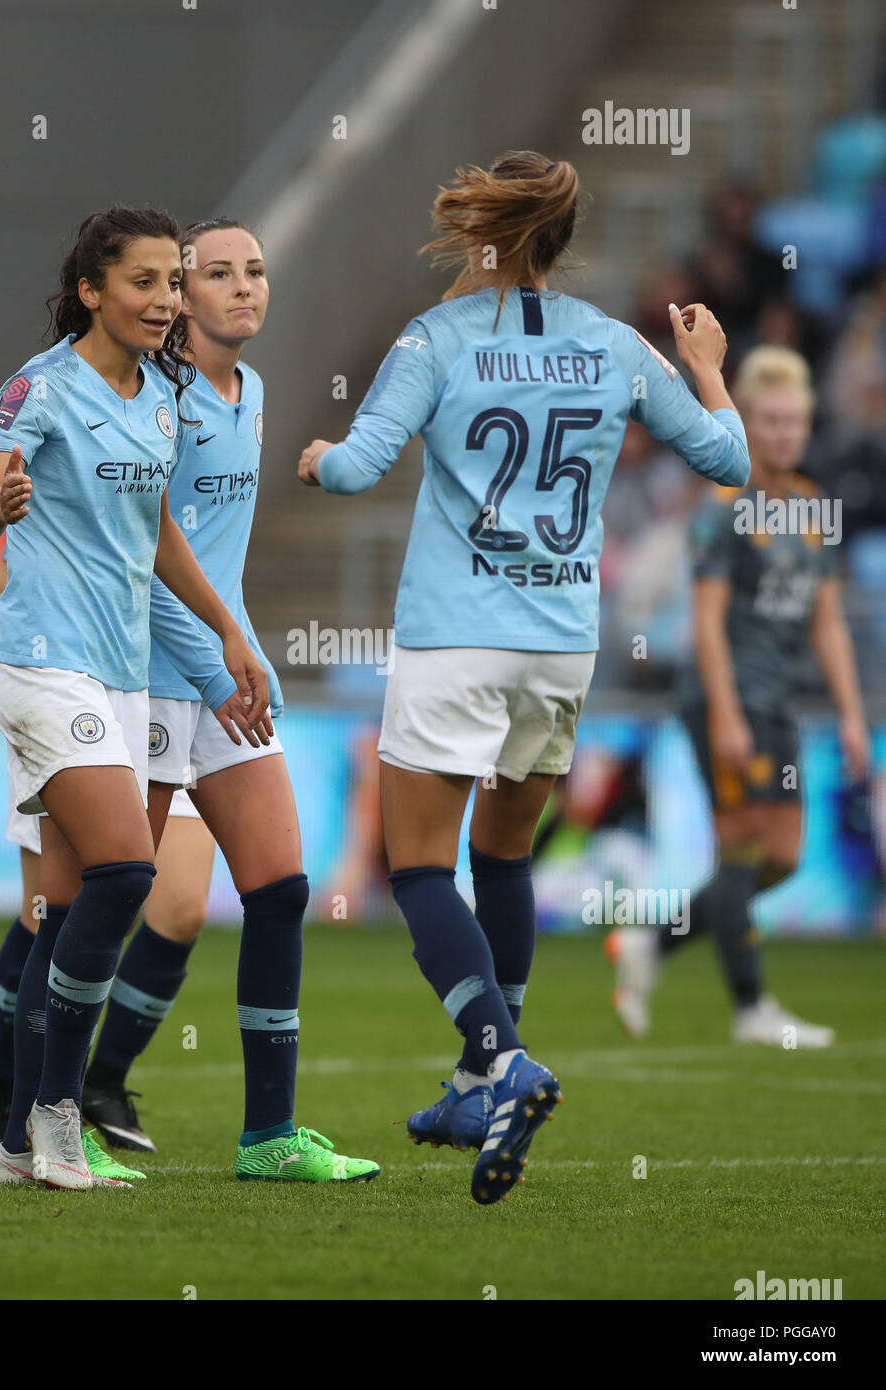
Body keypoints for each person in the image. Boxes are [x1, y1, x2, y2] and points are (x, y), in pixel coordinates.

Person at [296, 151, 750, 1204]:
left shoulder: (434, 339)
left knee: (417, 867)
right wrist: (709, 367)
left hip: (456, 636)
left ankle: (502, 1058)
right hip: (557, 643)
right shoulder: (613, 345)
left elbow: (360, 467)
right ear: (558, 240)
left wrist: (320, 458)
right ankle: (470, 1082)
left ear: (474, 234)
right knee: (502, 860)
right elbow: (726, 462)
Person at [0, 205, 269, 1190]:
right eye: (144, 283)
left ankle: (18, 1142)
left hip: (119, 673)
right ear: (91, 289)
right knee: (126, 875)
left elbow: (160, 531)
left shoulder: (162, 396)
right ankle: (57, 1107)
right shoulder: (38, 386)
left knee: (58, 909)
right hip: (39, 661)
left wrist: (224, 628)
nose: (164, 301)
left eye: (172, 283)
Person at [83, 219, 379, 1183]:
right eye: (217, 275)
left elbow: (214, 562)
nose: (242, 288)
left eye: (253, 271)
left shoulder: (250, 392)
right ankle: (54, 1103)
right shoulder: (158, 400)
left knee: (280, 890)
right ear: (181, 297)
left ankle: (268, 1138)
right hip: (156, 681)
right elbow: (150, 563)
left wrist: (245, 649)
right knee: (119, 901)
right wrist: (222, 665)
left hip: (222, 678)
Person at [607, 345, 870, 1045]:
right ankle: (752, 1007)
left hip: (778, 700)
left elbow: (827, 622)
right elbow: (705, 619)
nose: (782, 432)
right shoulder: (723, 506)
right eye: (769, 419)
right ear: (745, 421)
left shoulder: (813, 508)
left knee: (780, 855)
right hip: (723, 696)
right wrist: (723, 713)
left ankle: (652, 944)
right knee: (742, 850)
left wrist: (850, 717)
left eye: (793, 421)